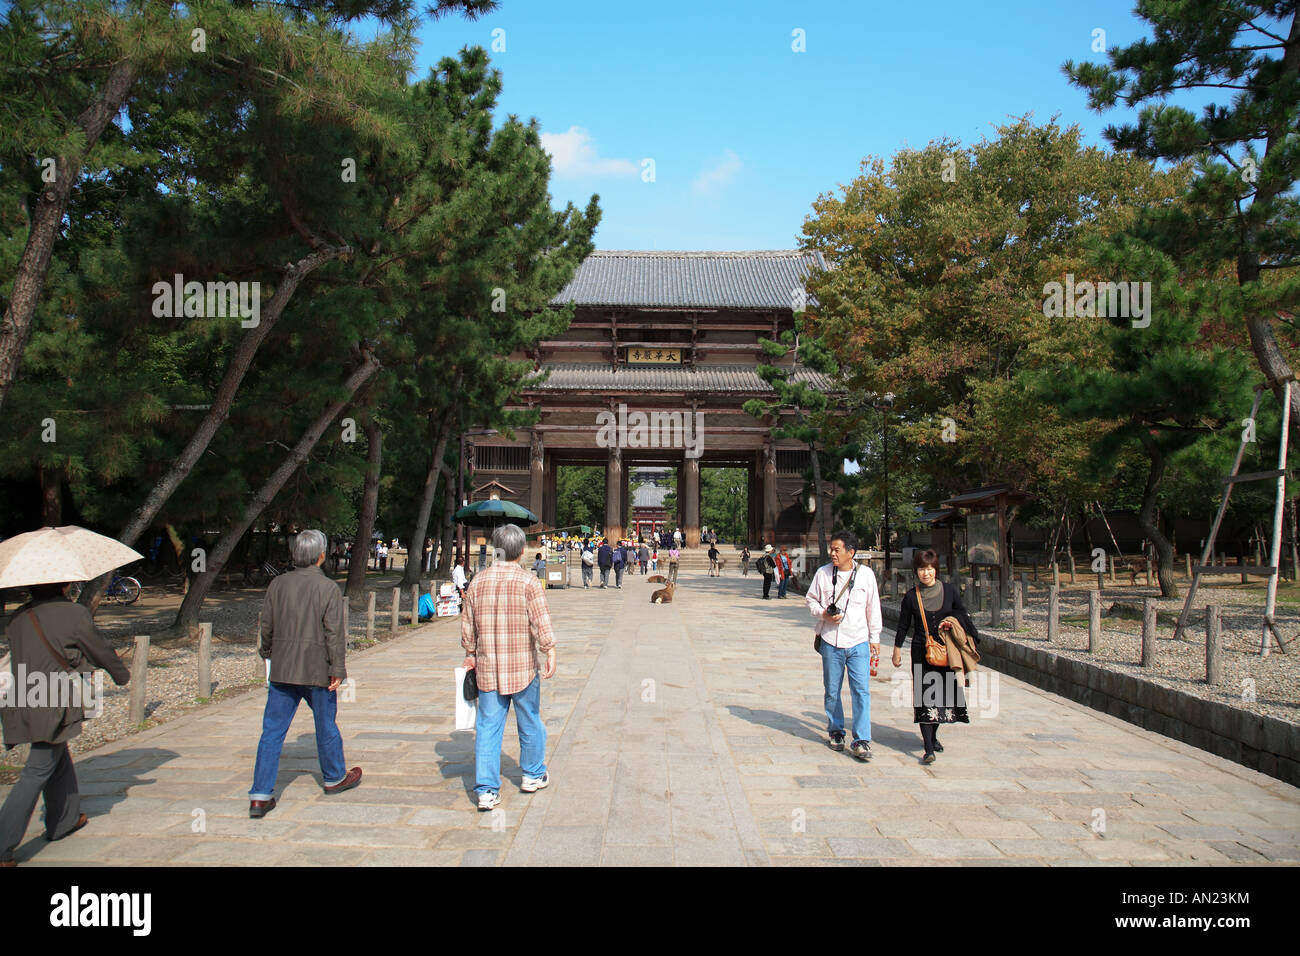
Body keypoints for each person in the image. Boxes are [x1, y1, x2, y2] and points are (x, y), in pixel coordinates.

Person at [0, 581, 131, 866]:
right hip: (53, 700)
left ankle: (64, 820)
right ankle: (2, 844)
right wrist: (121, 674)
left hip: (24, 696)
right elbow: (99, 648)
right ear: (63, 584)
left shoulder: (19, 616)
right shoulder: (74, 614)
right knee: (37, 769)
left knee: (57, 754)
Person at [249, 529, 361, 819]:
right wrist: (338, 668)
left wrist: (267, 651)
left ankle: (260, 794)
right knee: (325, 724)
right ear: (321, 555)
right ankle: (334, 776)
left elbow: (267, 625)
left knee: (272, 731)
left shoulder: (278, 585)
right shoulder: (328, 588)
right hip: (317, 669)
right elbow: (334, 633)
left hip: (284, 667)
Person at [461, 524, 557, 810]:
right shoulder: (529, 582)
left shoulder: (478, 581)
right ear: (522, 550)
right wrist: (549, 648)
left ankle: (487, 791)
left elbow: (468, 625)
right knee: (529, 720)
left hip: (488, 666)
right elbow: (541, 620)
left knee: (488, 727)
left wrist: (469, 652)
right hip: (523, 666)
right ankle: (532, 774)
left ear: (496, 549)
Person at [892, 548, 980, 764]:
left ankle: (932, 735)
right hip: (921, 650)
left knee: (942, 697)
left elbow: (962, 612)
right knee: (924, 698)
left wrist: (952, 621)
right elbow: (903, 625)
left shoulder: (949, 591)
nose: (926, 573)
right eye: (922, 569)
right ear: (916, 571)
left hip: (946, 651)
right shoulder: (912, 596)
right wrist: (896, 649)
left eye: (930, 568)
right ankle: (928, 747)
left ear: (936, 570)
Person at [805, 529, 882, 761]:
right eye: (831, 549)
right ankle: (836, 730)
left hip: (858, 641)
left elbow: (873, 607)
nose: (832, 553)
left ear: (851, 552)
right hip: (831, 640)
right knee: (832, 690)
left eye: (837, 549)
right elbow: (810, 599)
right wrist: (823, 615)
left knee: (861, 691)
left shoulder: (866, 575)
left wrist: (875, 639)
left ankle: (861, 739)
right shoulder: (823, 573)